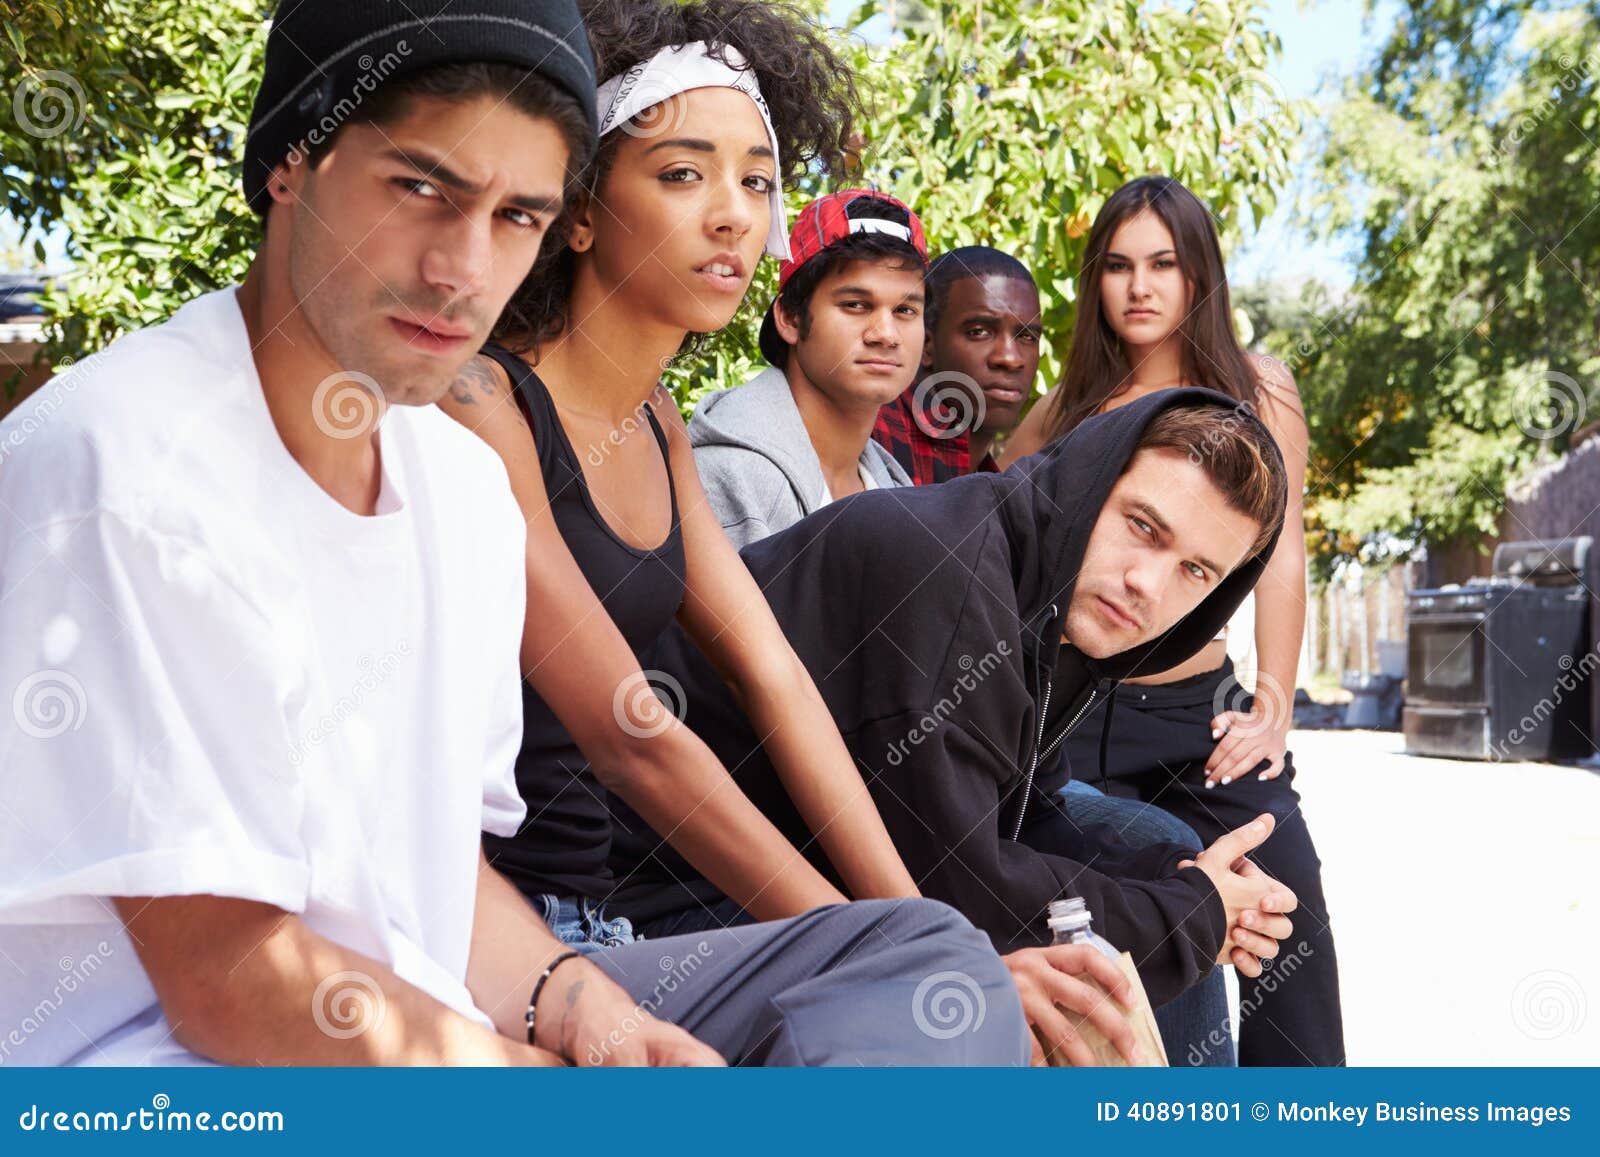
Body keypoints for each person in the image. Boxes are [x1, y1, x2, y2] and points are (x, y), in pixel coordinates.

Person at [0, 0, 1027, 1068]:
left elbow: (438, 882)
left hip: (438, 1017)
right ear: (291, 163)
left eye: (516, 215)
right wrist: (535, 1085)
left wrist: (582, 1011)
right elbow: (229, 977)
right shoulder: (126, 466)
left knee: (930, 968)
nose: (463, 269)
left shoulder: (457, 487)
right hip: (159, 1081)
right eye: (421, 189)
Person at [610, 388, 1305, 1064]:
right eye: (1143, 527)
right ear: (1090, 483)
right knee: (1167, 924)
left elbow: (1025, 814)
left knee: (1171, 860)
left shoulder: (1051, 600)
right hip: (669, 904)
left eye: (1195, 571)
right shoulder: (952, 576)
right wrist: (1188, 915)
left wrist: (1183, 883)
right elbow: (958, 891)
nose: (1148, 585)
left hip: (857, 866)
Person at [1001, 176, 1343, 1066]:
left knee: (1286, 897)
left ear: (1199, 276)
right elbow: (999, 537)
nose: (1139, 286)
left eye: (1163, 264)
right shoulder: (1066, 411)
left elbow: (1283, 554)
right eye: (1117, 266)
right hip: (1072, 719)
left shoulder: (1258, 388)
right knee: (1124, 911)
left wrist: (1273, 702)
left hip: (1199, 717)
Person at [687, 189, 924, 547]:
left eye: (905, 310)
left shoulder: (891, 482)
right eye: (856, 305)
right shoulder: (728, 474)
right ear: (790, 317)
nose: (886, 335)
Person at [872, 246, 1040, 483]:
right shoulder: (874, 432)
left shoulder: (988, 482)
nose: (1010, 359)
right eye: (979, 332)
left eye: (1027, 337)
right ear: (926, 344)